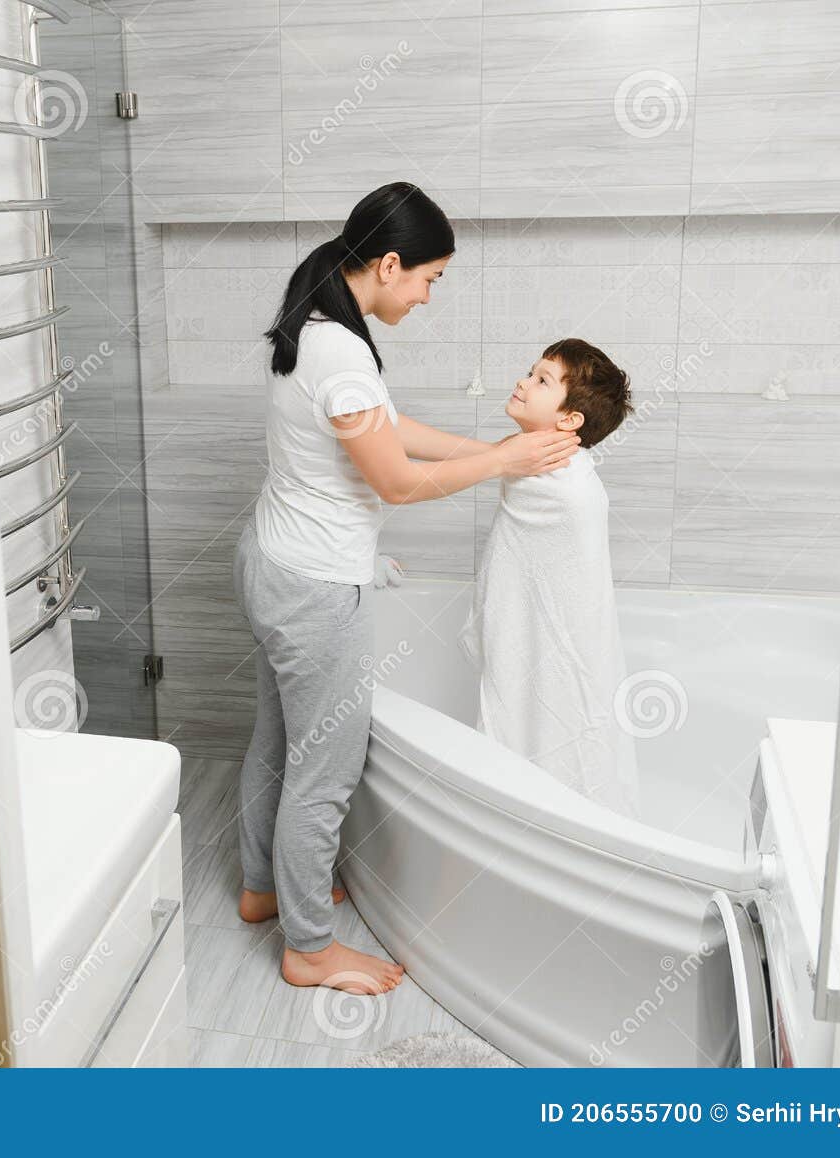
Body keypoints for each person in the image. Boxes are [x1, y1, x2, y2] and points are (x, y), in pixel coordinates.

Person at [232, 182, 579, 994]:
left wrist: (490, 446)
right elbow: (396, 482)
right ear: (389, 264)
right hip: (313, 588)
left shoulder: (317, 322)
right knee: (325, 771)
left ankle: (262, 892)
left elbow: (389, 428)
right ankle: (308, 947)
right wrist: (504, 462)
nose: (426, 296)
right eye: (429, 278)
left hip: (269, 560)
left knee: (278, 743)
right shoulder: (342, 353)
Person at [460, 339, 641, 817]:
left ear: (569, 421)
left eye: (541, 380)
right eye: (529, 372)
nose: (523, 381)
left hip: (562, 655)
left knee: (552, 726)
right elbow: (493, 457)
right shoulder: (541, 462)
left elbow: (443, 472)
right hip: (545, 643)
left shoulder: (563, 489)